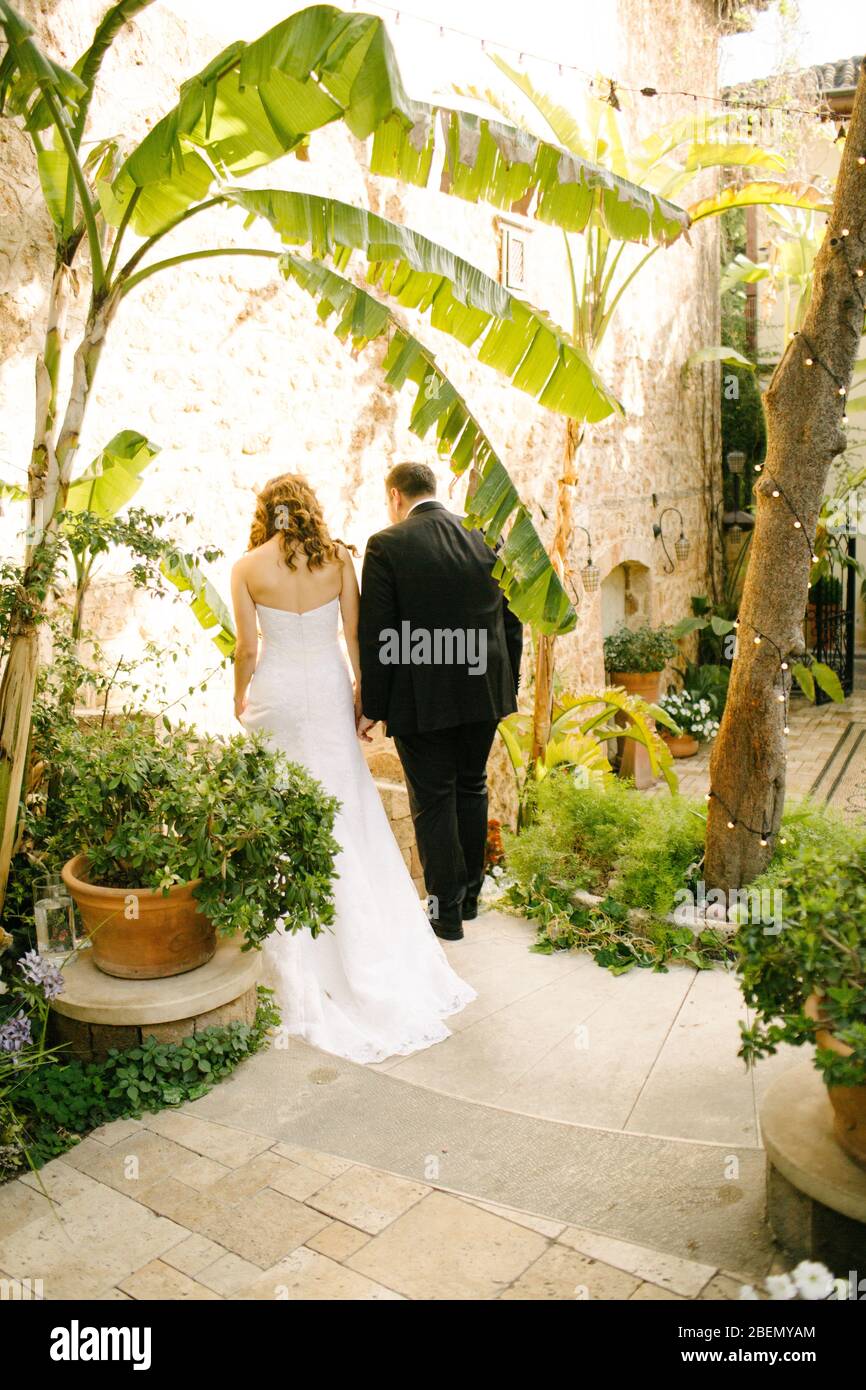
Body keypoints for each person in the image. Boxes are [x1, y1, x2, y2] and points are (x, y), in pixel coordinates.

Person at [231, 473, 475, 1065]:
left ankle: (297, 947)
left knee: (282, 814)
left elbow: (246, 649)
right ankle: (370, 950)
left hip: (279, 697)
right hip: (331, 692)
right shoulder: (340, 560)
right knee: (347, 812)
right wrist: (367, 699)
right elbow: (359, 635)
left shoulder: (246, 569)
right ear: (310, 510)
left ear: (268, 512)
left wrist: (239, 698)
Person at [357, 462, 523, 941]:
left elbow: (379, 634)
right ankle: (469, 899)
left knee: (433, 800)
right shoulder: (485, 538)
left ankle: (444, 915)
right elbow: (512, 621)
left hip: (422, 699)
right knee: (471, 786)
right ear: (434, 491)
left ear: (395, 496)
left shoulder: (387, 545)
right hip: (485, 691)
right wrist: (506, 683)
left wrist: (374, 704)